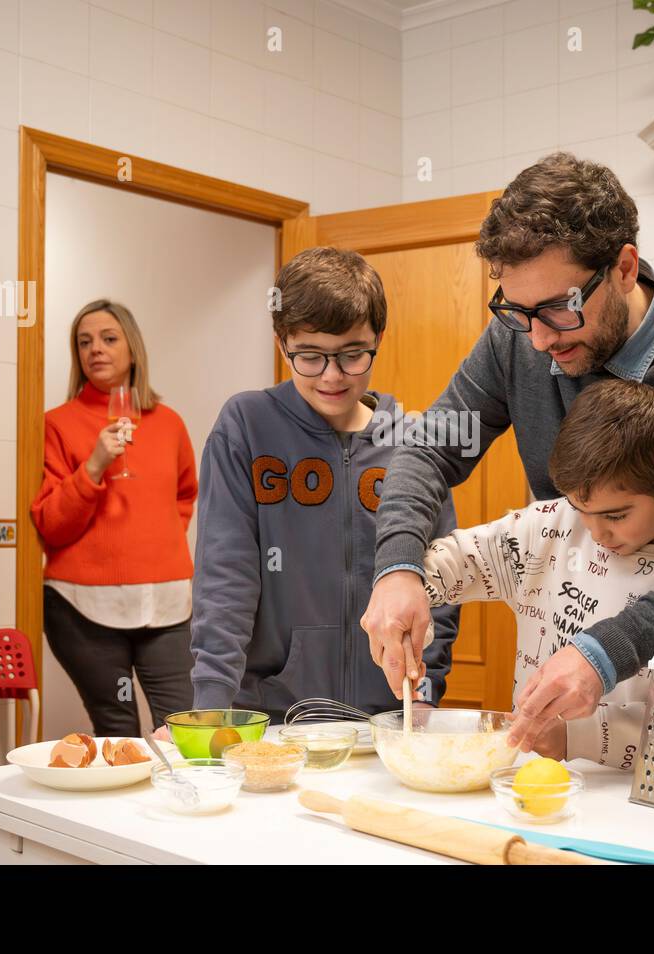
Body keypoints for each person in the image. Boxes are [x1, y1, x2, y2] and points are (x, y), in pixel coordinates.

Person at [360, 152, 654, 761]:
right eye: (517, 311)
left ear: (623, 267)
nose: (538, 339)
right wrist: (399, 568)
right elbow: (429, 446)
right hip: (564, 716)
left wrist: (605, 650)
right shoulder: (521, 338)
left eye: (559, 309)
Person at [418, 379, 654, 772]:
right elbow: (458, 559)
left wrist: (574, 737)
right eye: (581, 509)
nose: (596, 532)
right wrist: (407, 585)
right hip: (539, 791)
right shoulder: (549, 528)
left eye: (616, 515)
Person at [188, 247, 459, 721]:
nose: (333, 377)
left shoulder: (412, 442)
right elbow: (224, 575)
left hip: (389, 718)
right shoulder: (246, 426)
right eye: (310, 357)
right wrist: (210, 706)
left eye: (353, 355)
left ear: (378, 339)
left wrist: (425, 688)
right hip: (272, 717)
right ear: (282, 344)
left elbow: (440, 575)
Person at [31, 299, 197, 736]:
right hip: (80, 605)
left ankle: (184, 806)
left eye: (108, 339)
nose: (95, 350)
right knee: (117, 730)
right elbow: (51, 523)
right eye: (84, 342)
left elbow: (184, 497)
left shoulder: (170, 424)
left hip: (167, 603)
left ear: (132, 348)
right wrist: (94, 466)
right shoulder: (56, 425)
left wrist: (153, 547)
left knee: (184, 729)